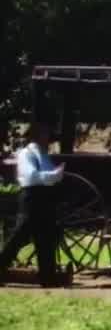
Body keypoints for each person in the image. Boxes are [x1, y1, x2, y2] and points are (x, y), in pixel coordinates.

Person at [0, 122, 65, 288]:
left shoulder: (44, 155)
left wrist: (54, 178)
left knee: (46, 238)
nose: (47, 138)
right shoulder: (26, 154)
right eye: (44, 134)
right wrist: (53, 176)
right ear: (35, 136)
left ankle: (48, 277)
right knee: (20, 235)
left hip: (45, 197)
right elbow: (30, 176)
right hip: (31, 196)